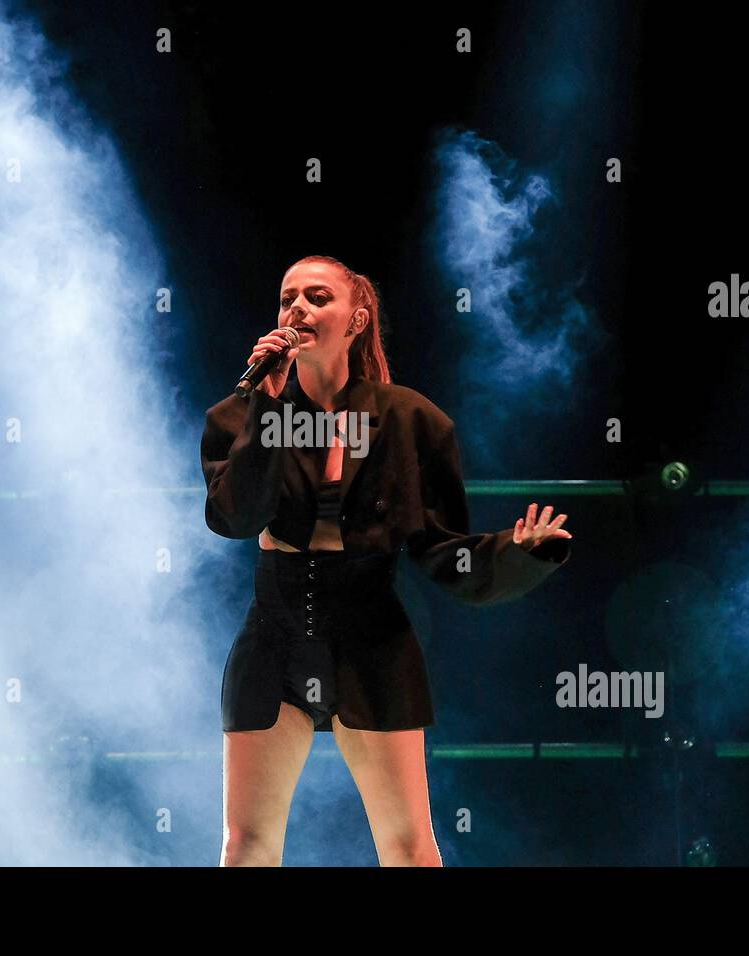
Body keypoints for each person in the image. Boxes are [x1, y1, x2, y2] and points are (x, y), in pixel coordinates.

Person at [201, 255, 573, 866]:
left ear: (357, 319)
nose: (298, 309)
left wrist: (518, 552)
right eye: (287, 297)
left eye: (318, 297)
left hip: (371, 637)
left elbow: (439, 549)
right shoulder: (239, 415)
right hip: (274, 635)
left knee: (406, 843)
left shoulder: (412, 421)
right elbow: (233, 519)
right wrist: (268, 412)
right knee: (246, 844)